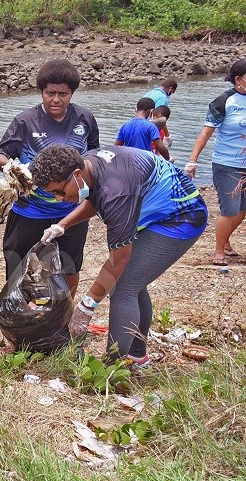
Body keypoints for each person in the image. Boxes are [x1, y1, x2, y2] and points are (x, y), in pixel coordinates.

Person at [33, 145, 206, 366]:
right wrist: (62, 225)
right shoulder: (88, 165)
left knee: (123, 285)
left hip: (181, 216)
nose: (59, 199)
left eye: (59, 191)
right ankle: (136, 356)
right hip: (154, 212)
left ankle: (113, 368)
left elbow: (118, 259)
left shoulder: (117, 190)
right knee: (134, 279)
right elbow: (95, 200)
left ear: (76, 175)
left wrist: (87, 305)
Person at [0, 59, 100, 295]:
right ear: (41, 91)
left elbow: (94, 156)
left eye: (63, 93)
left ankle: (65, 317)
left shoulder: (85, 118)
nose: (56, 99)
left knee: (70, 267)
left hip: (71, 212)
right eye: (50, 93)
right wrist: (17, 170)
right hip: (30, 210)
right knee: (17, 265)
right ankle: (15, 312)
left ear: (72, 93)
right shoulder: (25, 121)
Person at [185, 58, 246, 266]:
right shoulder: (224, 101)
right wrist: (192, 161)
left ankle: (226, 241)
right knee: (229, 209)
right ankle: (219, 251)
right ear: (239, 79)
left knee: (242, 209)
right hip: (227, 164)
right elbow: (205, 133)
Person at [115, 97, 170, 161]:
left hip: (129, 161)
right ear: (151, 111)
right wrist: (168, 160)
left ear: (137, 109)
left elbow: (117, 146)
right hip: (145, 162)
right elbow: (162, 149)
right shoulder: (151, 126)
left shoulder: (125, 126)